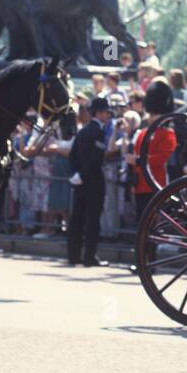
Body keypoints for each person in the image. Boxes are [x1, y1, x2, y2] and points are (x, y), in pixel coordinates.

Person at [67, 96, 115, 266]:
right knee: (92, 221)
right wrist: (83, 174)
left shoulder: (83, 131)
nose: (108, 116)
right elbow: (95, 159)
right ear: (99, 113)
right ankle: (89, 257)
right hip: (93, 181)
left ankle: (73, 255)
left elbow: (72, 155)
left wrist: (75, 174)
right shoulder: (100, 132)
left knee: (77, 219)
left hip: (80, 181)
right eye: (106, 112)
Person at [127, 79, 177, 228]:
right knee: (141, 224)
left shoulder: (168, 134)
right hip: (140, 185)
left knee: (152, 226)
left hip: (155, 183)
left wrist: (137, 161)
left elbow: (161, 159)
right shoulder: (142, 133)